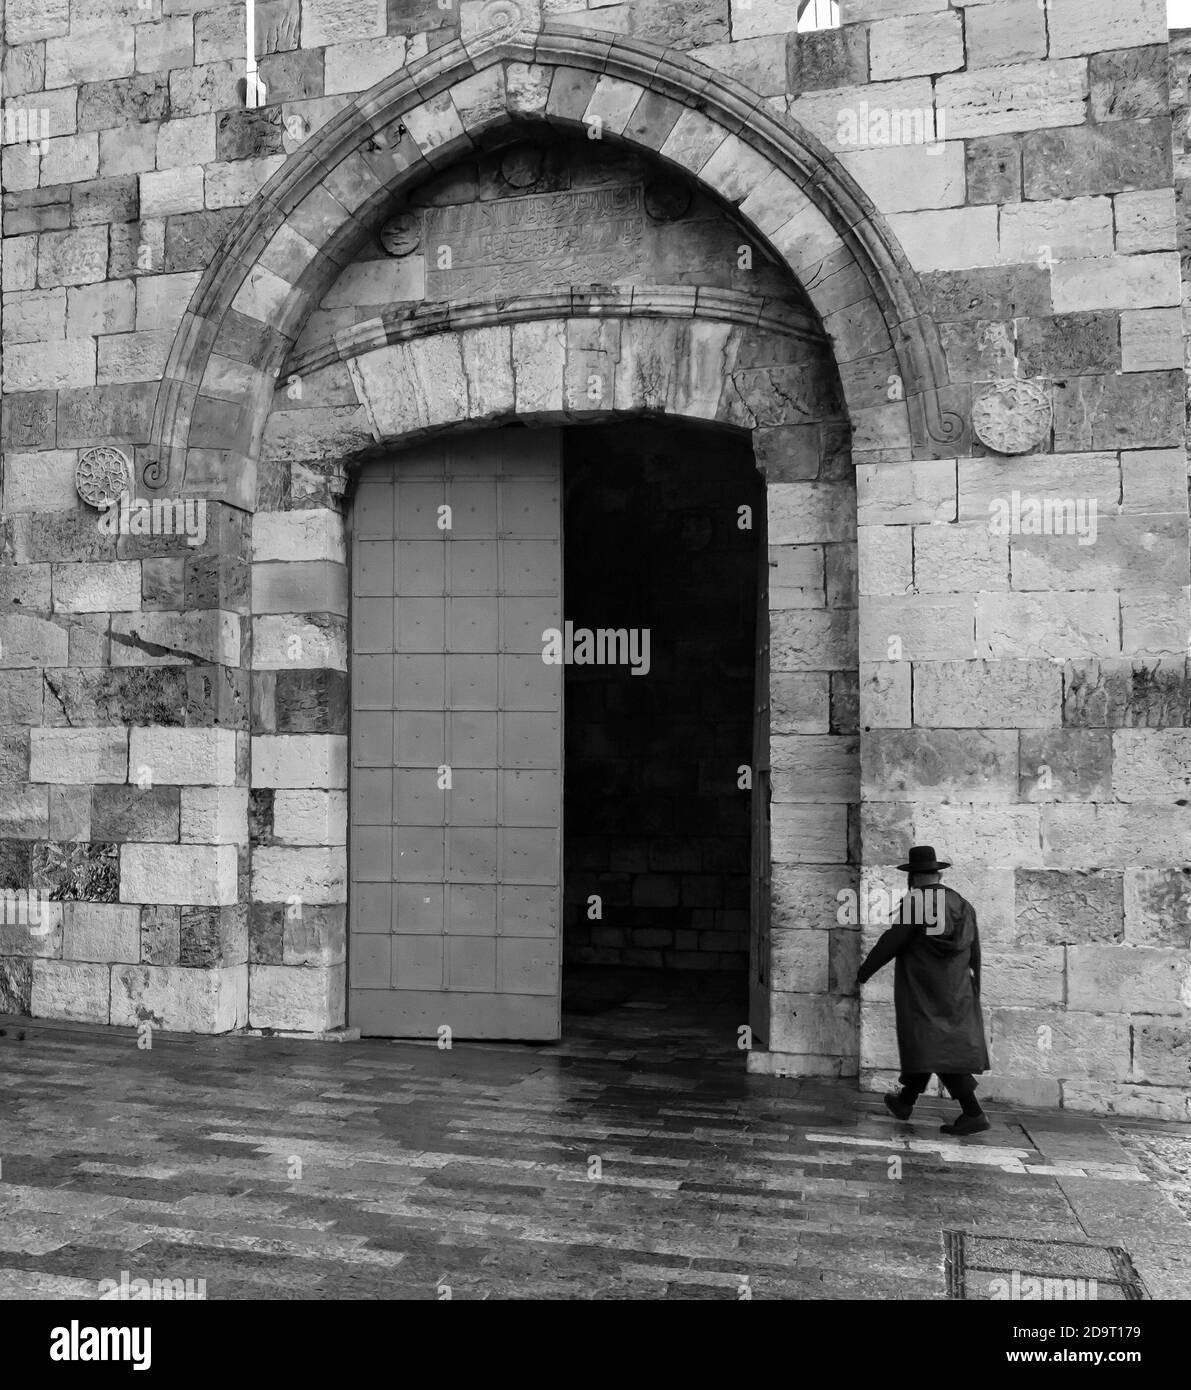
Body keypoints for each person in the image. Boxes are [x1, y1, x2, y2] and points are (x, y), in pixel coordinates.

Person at [856, 845, 991, 1136]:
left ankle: (973, 1112)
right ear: (938, 874)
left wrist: (864, 971)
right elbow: (974, 951)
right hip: (956, 989)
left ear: (914, 877)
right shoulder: (962, 904)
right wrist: (974, 987)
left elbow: (893, 940)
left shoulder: (917, 902)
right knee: (930, 1045)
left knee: (932, 1045)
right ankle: (905, 1102)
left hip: (924, 990)